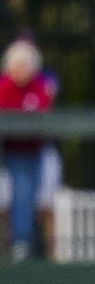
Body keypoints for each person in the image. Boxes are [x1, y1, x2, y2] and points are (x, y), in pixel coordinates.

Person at [0, 39, 56, 260]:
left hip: (36, 152)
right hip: (10, 154)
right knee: (21, 191)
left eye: (25, 65)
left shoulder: (40, 87)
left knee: (35, 198)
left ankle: (32, 245)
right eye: (17, 65)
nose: (21, 70)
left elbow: (45, 115)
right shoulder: (3, 88)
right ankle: (20, 243)